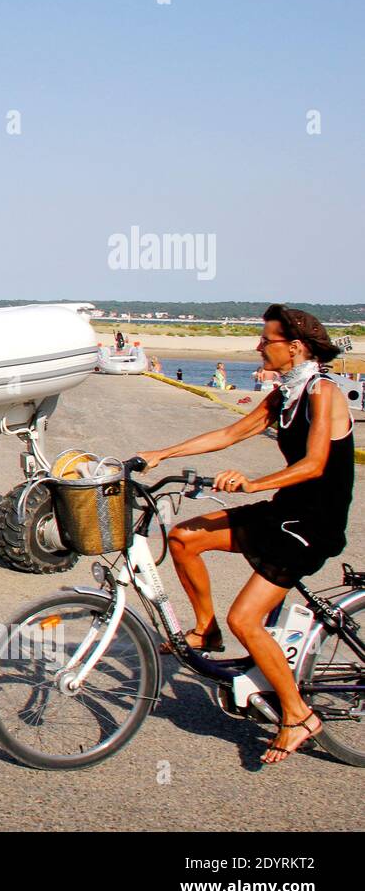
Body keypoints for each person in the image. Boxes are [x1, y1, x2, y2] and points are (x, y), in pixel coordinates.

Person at [137, 305, 354, 764]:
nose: (258, 345)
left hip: (313, 526)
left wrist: (254, 483)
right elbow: (233, 431)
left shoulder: (323, 392)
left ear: (294, 347)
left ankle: (298, 716)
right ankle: (205, 631)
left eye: (265, 339)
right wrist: (163, 453)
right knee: (183, 538)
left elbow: (315, 464)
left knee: (247, 620)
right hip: (285, 513)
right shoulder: (285, 395)